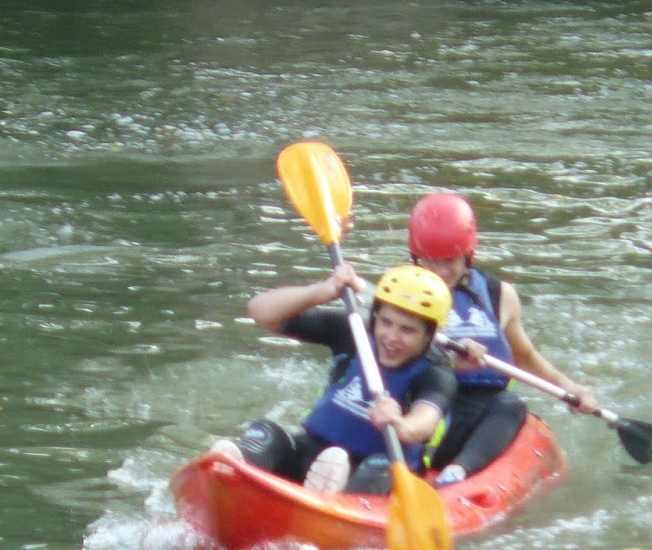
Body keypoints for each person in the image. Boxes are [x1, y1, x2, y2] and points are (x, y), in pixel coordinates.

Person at [211, 263, 456, 495]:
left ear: (429, 336)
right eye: (386, 322)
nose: (391, 337)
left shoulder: (436, 372)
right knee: (265, 433)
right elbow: (261, 312)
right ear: (374, 318)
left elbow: (426, 420)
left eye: (407, 330)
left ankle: (328, 509)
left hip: (373, 473)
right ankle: (232, 476)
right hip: (313, 452)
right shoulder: (353, 333)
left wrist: (400, 424)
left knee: (380, 468)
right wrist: (321, 292)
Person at [407, 191, 597, 484]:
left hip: (477, 415)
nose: (440, 271)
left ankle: (458, 472)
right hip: (425, 406)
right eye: (430, 261)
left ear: (468, 253)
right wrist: (449, 364)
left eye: (449, 261)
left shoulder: (499, 295)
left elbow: (524, 356)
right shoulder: (401, 295)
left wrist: (570, 389)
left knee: (512, 405)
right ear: (416, 257)